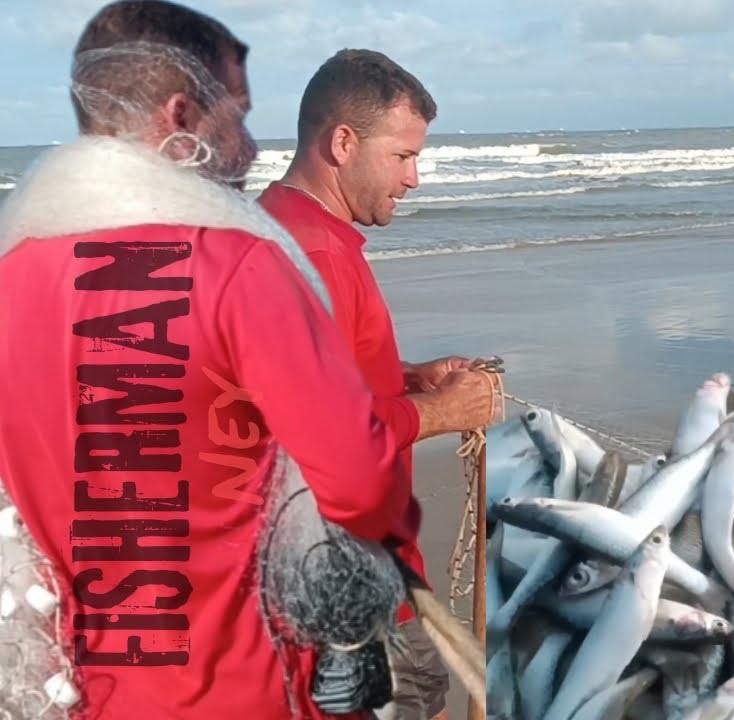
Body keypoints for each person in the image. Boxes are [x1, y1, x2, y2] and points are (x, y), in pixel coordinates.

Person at [0, 1, 434, 718]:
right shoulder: (238, 264)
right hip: (238, 686)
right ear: (180, 116)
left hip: (75, 689)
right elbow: (358, 483)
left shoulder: (12, 269)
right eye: (235, 115)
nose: (250, 146)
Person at [258, 50, 497, 720]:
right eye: (401, 156)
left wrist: (406, 378)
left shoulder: (274, 227)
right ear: (342, 143)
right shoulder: (318, 257)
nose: (414, 178)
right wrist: (439, 413)